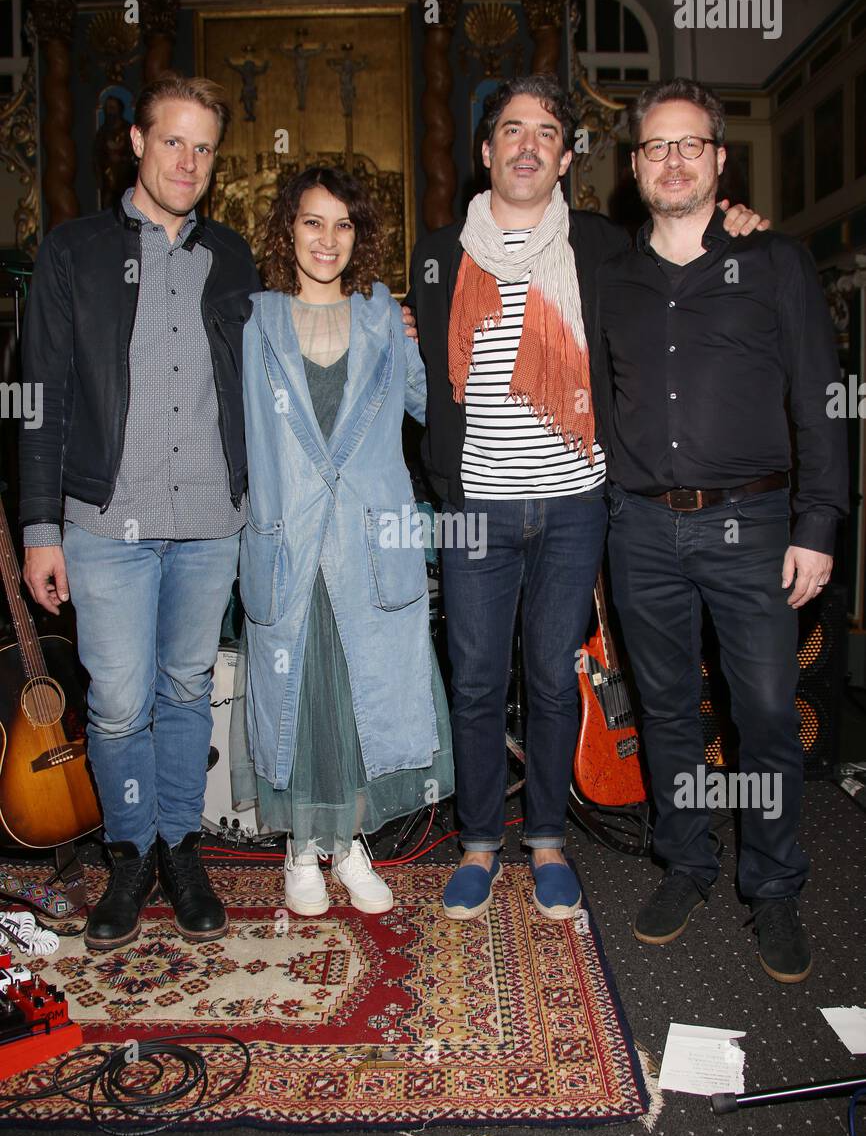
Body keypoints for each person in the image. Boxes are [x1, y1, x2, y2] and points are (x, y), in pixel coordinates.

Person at [407, 73, 764, 923]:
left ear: (566, 157)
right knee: (474, 683)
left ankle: (548, 841)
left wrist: (737, 220)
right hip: (476, 510)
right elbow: (425, 377)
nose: (527, 145)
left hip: (574, 507)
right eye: (511, 130)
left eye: (545, 133)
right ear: (487, 150)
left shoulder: (605, 248)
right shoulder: (436, 255)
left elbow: (691, 246)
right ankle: (479, 843)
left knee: (555, 681)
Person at [599, 77, 847, 983]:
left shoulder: (774, 261)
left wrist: (818, 525)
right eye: (656, 148)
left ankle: (774, 887)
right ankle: (687, 864)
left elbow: (821, 402)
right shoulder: (610, 275)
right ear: (634, 168)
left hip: (753, 523)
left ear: (717, 159)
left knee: (767, 718)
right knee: (666, 712)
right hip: (639, 530)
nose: (672, 160)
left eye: (688, 145)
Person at [19, 72, 261, 950]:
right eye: (173, 141)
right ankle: (131, 854)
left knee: (188, 689)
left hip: (209, 525)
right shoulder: (73, 251)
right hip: (101, 524)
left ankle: (180, 848)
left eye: (203, 148)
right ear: (136, 142)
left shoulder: (232, 256)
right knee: (119, 703)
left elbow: (258, 382)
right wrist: (40, 529)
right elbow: (39, 396)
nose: (188, 161)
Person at [236, 166, 454, 915]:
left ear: (359, 237)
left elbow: (440, 406)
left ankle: (351, 843)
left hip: (367, 547)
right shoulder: (253, 321)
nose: (327, 240)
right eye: (311, 222)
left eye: (343, 225)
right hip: (288, 545)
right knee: (301, 693)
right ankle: (302, 848)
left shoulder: (384, 321)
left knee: (365, 698)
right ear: (286, 229)